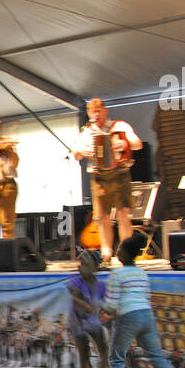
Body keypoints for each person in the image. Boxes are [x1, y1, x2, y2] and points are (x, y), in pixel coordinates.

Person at [102, 233, 185, 368]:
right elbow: (144, 298)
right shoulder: (142, 274)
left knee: (116, 359)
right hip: (146, 316)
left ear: (124, 255)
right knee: (159, 359)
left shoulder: (117, 274)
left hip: (128, 317)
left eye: (119, 249)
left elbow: (111, 305)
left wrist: (101, 307)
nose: (117, 252)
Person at [74, 98, 143, 266]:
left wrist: (124, 142)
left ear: (105, 111)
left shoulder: (120, 126)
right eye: (92, 112)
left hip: (120, 174)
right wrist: (82, 150)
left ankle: (127, 252)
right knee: (102, 217)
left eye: (98, 111)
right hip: (99, 178)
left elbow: (138, 145)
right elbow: (76, 154)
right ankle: (106, 254)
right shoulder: (88, 132)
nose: (95, 115)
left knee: (122, 214)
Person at [67, 251, 110, 368]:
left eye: (85, 263)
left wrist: (106, 310)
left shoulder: (101, 286)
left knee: (103, 347)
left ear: (95, 267)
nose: (80, 267)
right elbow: (74, 297)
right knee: (84, 354)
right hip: (77, 322)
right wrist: (89, 306)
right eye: (80, 264)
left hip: (93, 321)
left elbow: (105, 305)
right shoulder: (75, 282)